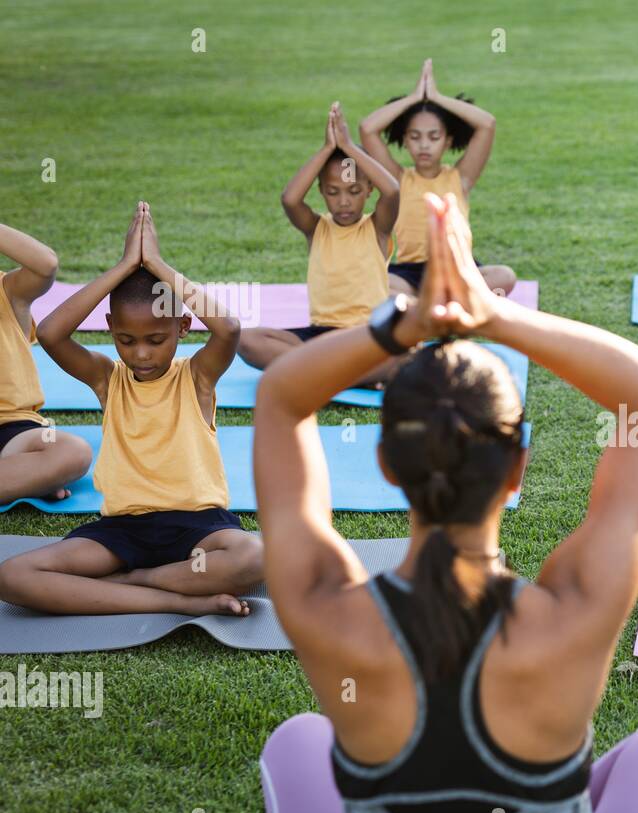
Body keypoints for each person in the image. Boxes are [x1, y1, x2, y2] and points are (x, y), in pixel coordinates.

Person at [252, 193, 638, 813]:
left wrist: (401, 326)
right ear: (518, 469)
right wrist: (495, 315)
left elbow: (280, 398)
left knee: (299, 738)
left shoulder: (325, 608)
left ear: (387, 465)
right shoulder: (573, 611)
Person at [0, 203, 262, 616]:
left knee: (255, 557)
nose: (140, 354)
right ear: (109, 328)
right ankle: (173, 598)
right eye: (125, 339)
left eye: (155, 340)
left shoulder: (198, 378)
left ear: (182, 327)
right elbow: (51, 332)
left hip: (198, 531)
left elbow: (228, 328)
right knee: (13, 576)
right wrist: (124, 267)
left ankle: (135, 581)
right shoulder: (108, 379)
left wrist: (156, 263)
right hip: (120, 535)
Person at [237, 103, 403, 388]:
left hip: (365, 336)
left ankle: (320, 372)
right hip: (320, 337)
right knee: (246, 340)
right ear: (322, 192)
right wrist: (328, 149)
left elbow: (393, 190)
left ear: (368, 190)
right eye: (333, 192)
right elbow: (290, 199)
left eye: (353, 191)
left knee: (402, 357)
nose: (344, 201)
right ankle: (346, 374)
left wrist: (349, 146)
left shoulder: (377, 228)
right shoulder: (316, 229)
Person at [360, 58, 516, 298]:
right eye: (415, 136)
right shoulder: (397, 179)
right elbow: (368, 128)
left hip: (458, 266)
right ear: (405, 140)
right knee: (378, 283)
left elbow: (487, 124)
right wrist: (414, 98)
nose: (424, 145)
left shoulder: (460, 178)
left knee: (504, 277)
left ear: (448, 141)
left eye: (433, 137)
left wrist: (436, 97)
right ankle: (444, 302)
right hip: (411, 273)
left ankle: (428, 306)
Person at [0, 221, 92, 505]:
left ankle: (25, 477)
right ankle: (25, 479)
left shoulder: (8, 292)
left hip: (13, 429)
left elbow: (45, 264)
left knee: (73, 452)